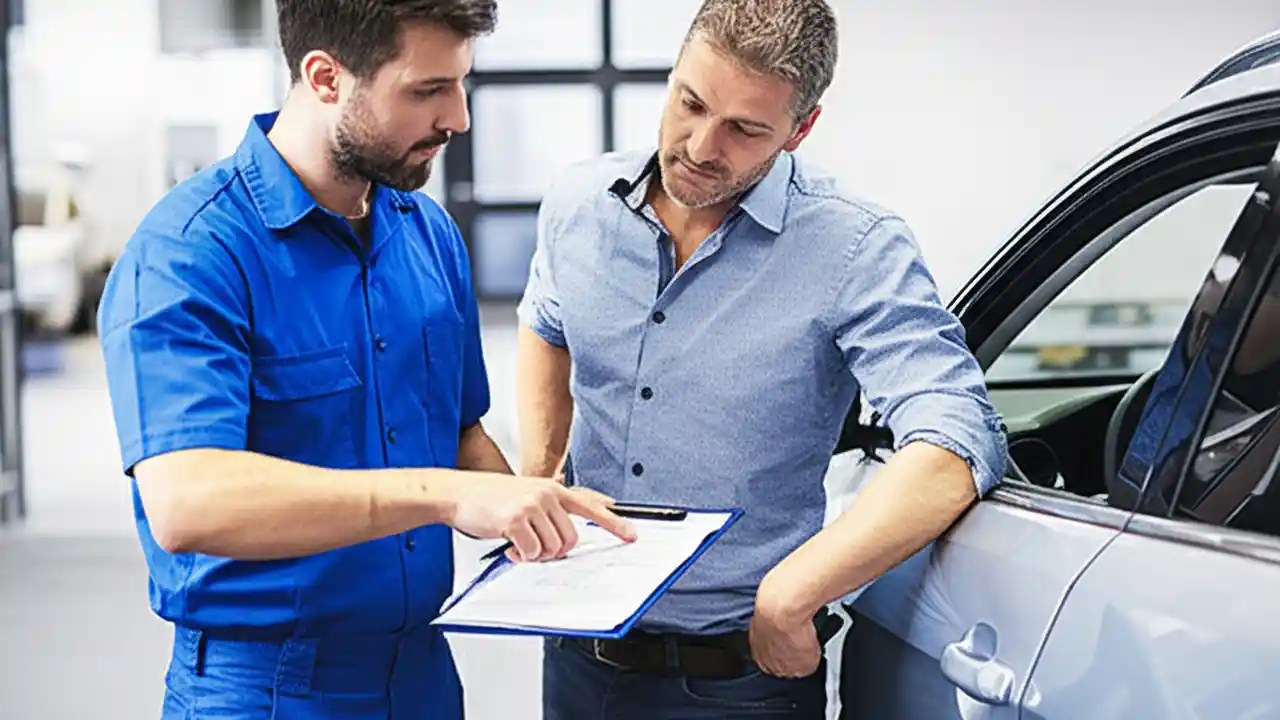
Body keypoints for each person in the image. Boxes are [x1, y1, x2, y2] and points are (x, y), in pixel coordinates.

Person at [96, 2, 636, 718]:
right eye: (427, 90)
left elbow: (459, 436)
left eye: (461, 83)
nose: (460, 118)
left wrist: (534, 507)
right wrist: (445, 496)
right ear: (325, 77)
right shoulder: (190, 252)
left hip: (422, 676)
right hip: (266, 686)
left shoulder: (428, 234)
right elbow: (187, 501)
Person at [515, 0, 1009, 716]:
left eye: (745, 129)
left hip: (738, 683)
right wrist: (538, 474)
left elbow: (958, 440)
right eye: (690, 103)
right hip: (576, 662)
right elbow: (547, 321)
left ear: (800, 129)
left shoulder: (854, 247)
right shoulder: (577, 205)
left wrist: (793, 591)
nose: (700, 145)